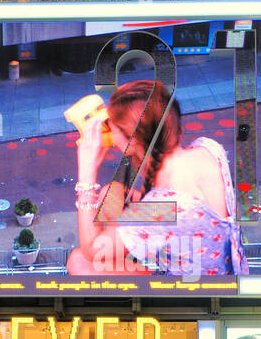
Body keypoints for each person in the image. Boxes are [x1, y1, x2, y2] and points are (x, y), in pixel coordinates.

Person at [65, 80, 248, 278]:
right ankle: (131, 242)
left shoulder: (163, 207)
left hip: (188, 289)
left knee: (78, 262)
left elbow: (92, 250)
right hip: (222, 267)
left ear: (133, 140)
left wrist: (86, 173)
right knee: (110, 195)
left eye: (113, 126)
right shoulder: (209, 148)